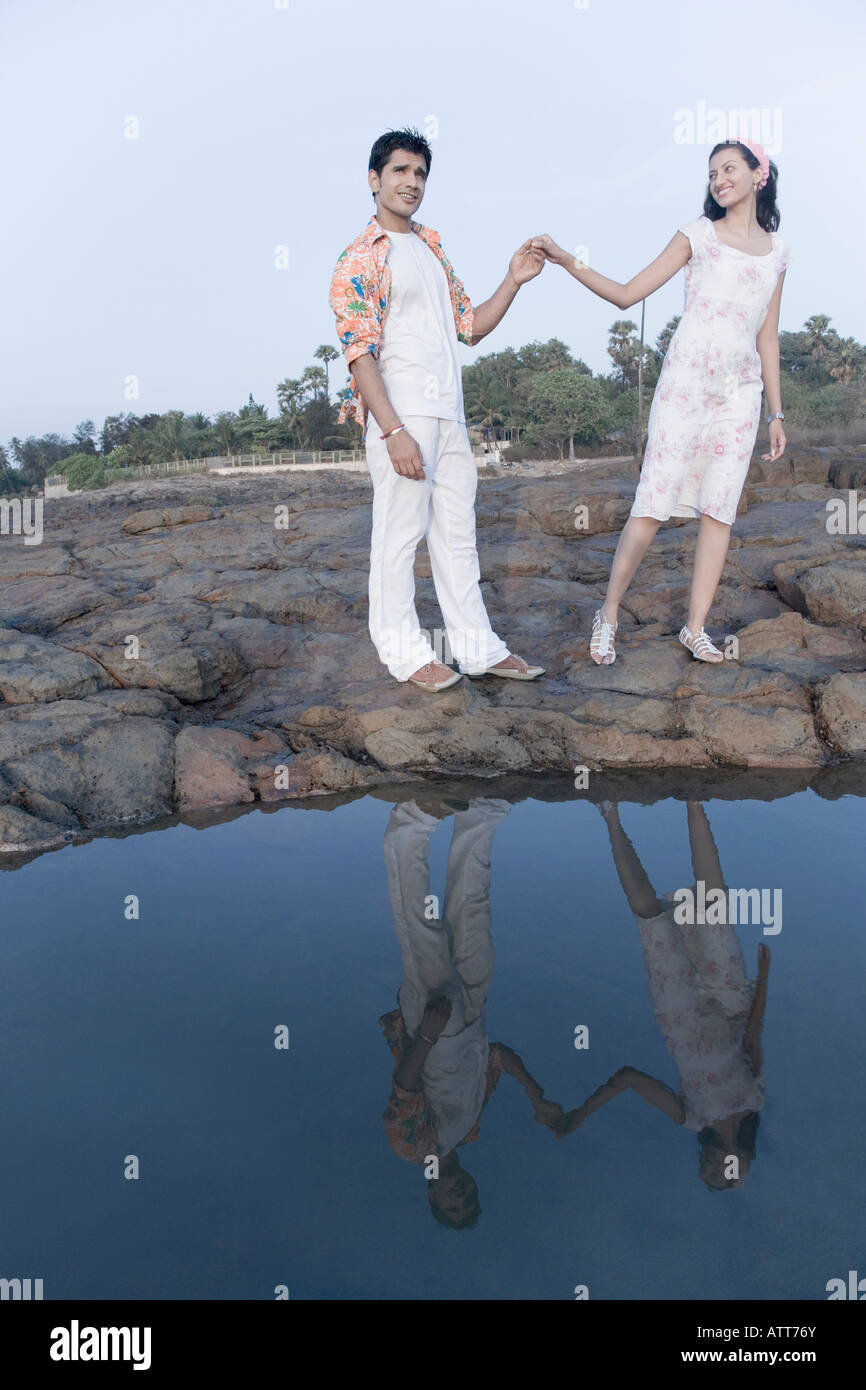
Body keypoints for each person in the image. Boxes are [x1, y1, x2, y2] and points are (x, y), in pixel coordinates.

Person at [532, 137, 792, 666]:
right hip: (685, 387)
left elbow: (768, 336)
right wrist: (565, 260)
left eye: (729, 169)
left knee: (719, 512)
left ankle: (695, 628)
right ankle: (607, 613)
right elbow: (628, 293)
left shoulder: (778, 252)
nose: (719, 179)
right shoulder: (698, 236)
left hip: (740, 397)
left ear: (757, 176)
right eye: (713, 172)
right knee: (652, 503)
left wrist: (776, 412)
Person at [328, 128, 546, 692]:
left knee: (457, 536)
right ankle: (403, 652)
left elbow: (469, 327)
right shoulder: (360, 257)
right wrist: (393, 430)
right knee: (398, 538)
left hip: (450, 417)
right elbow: (359, 353)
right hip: (403, 417)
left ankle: (478, 649)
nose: (412, 183)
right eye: (400, 171)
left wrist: (514, 280)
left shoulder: (430, 247)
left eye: (420, 174)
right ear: (374, 179)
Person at [379, 797, 568, 1229]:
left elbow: (403, 1090)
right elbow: (497, 1056)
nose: (461, 1197)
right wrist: (535, 1094)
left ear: (433, 1194)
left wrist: (427, 1034)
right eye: (469, 1201)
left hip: (434, 1028)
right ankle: (483, 811)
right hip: (473, 1013)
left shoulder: (413, 1150)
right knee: (474, 908)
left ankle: (410, 822)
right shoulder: (469, 1126)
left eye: (451, 1205)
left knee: (418, 928)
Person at [563, 801, 769, 1192]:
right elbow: (753, 1034)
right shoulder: (753, 1102)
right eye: (725, 1173)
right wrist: (765, 978)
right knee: (712, 908)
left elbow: (628, 1079)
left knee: (649, 917)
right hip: (730, 1004)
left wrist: (582, 1113)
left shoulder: (692, 1118)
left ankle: (609, 815)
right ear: (744, 1161)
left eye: (706, 1172)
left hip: (681, 1016)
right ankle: (693, 800)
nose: (712, 1168)